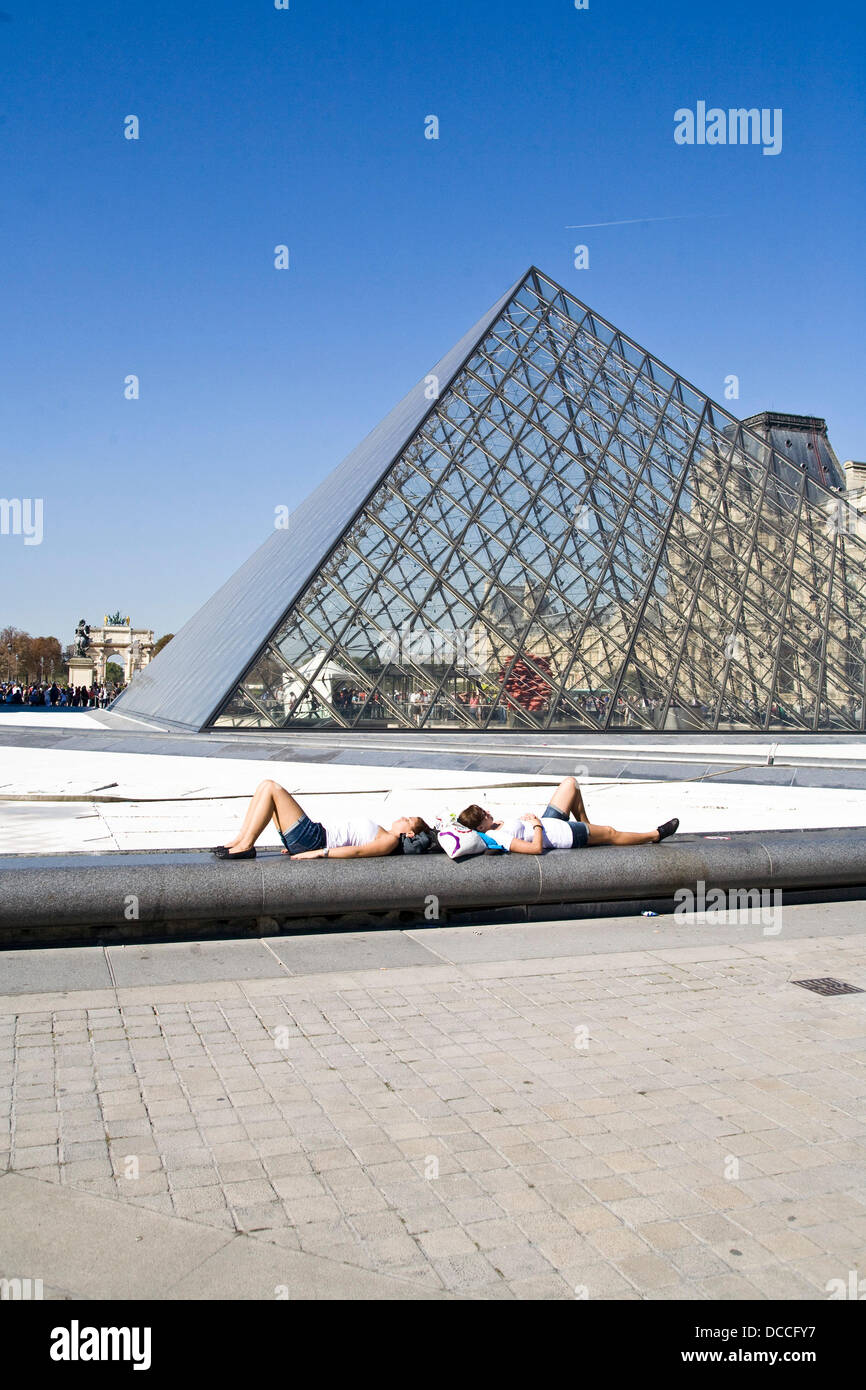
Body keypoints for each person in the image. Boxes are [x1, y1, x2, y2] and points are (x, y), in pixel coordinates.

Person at [213, 779, 433, 860]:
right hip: (310, 838)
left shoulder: (390, 841)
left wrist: (318, 852)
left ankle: (247, 844)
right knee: (264, 787)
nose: (403, 817)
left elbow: (355, 852)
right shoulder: (384, 833)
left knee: (271, 787)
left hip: (315, 840)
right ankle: (240, 840)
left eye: (408, 820)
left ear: (410, 833)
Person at [457, 776, 678, 853]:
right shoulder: (499, 837)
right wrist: (536, 826)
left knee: (570, 783)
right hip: (562, 834)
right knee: (611, 832)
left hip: (550, 821)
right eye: (483, 814)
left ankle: (590, 829)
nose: (487, 812)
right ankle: (654, 835)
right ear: (480, 827)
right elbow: (535, 849)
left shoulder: (494, 828)